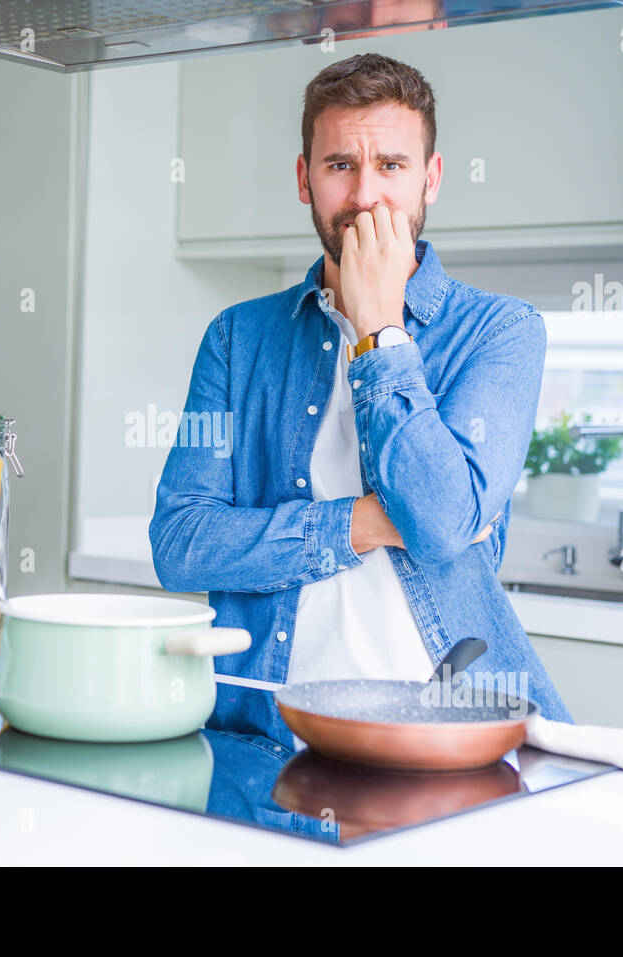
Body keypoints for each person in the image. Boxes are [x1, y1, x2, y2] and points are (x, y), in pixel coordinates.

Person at [149, 52, 574, 746]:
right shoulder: (235, 339)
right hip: (266, 733)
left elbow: (438, 524)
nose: (366, 195)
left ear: (431, 179)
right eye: (340, 164)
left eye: (393, 167)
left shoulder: (502, 333)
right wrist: (361, 523)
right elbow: (181, 542)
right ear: (304, 178)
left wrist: (381, 331)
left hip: (445, 735)